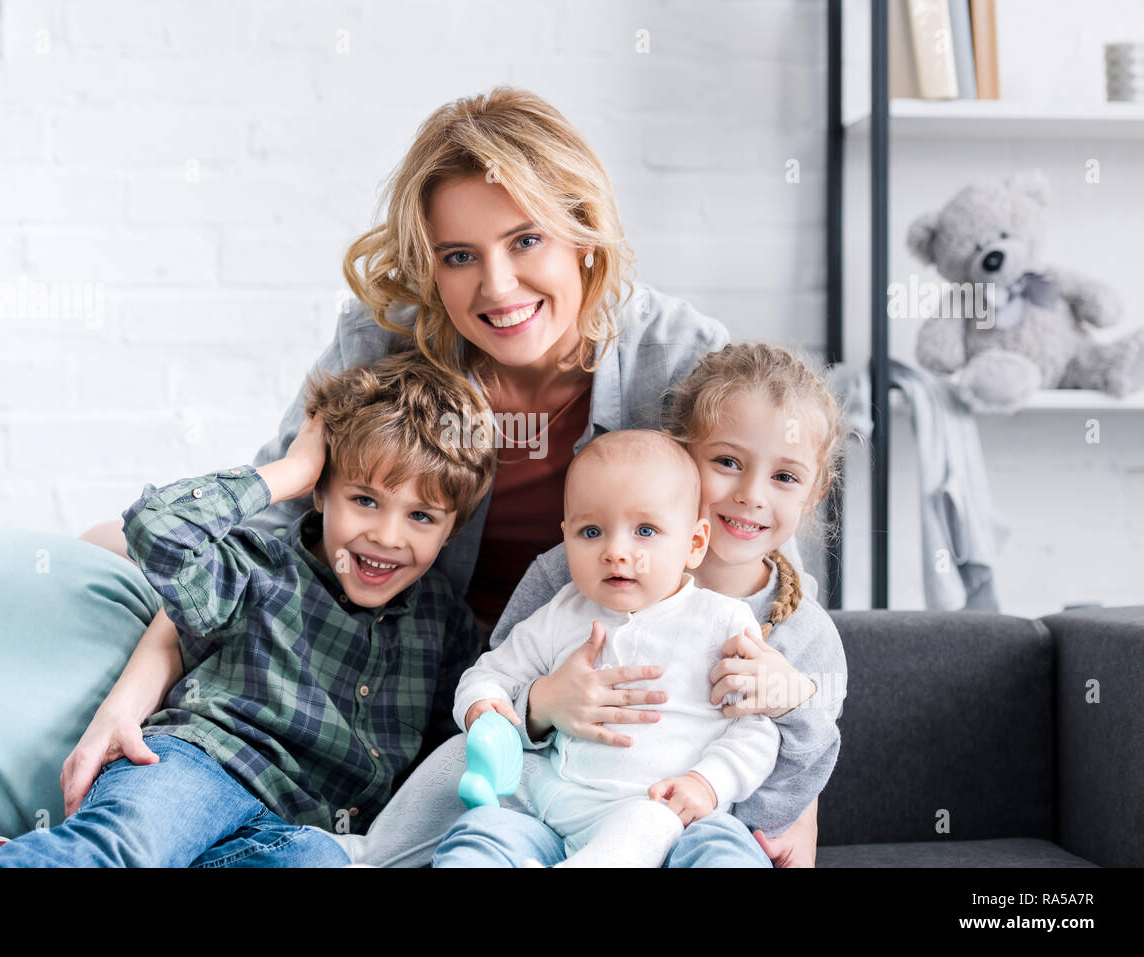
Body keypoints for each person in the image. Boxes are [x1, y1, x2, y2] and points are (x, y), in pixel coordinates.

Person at [64, 87, 826, 864]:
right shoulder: (383, 344)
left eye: (526, 240)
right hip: (438, 685)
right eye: (460, 256)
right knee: (99, 547)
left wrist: (793, 792)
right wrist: (129, 698)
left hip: (612, 713)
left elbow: (754, 545)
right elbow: (264, 540)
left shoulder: (677, 359)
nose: (497, 287)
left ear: (584, 236)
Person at [0, 353, 490, 866]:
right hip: (199, 767)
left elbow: (459, 733)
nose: (386, 535)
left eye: (421, 516)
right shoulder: (257, 569)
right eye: (364, 500)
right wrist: (292, 470)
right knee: (124, 847)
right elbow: (155, 532)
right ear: (321, 492)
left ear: (452, 530)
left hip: (303, 829)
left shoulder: (443, 622)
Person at [346, 342, 849, 867]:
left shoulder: (798, 633)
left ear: (815, 493)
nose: (751, 494)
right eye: (727, 461)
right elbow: (500, 683)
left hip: (696, 827)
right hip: (553, 809)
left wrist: (789, 705)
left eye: (785, 476)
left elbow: (784, 798)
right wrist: (541, 705)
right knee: (481, 836)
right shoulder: (575, 572)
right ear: (680, 457)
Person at [445, 429, 780, 868]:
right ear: (566, 539)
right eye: (591, 531)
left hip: (675, 823)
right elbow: (486, 676)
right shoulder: (561, 614)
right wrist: (483, 709)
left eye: (645, 530)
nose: (616, 551)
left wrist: (708, 783)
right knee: (479, 834)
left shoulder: (723, 623)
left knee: (728, 852)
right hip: (556, 817)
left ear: (694, 544)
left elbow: (758, 728)